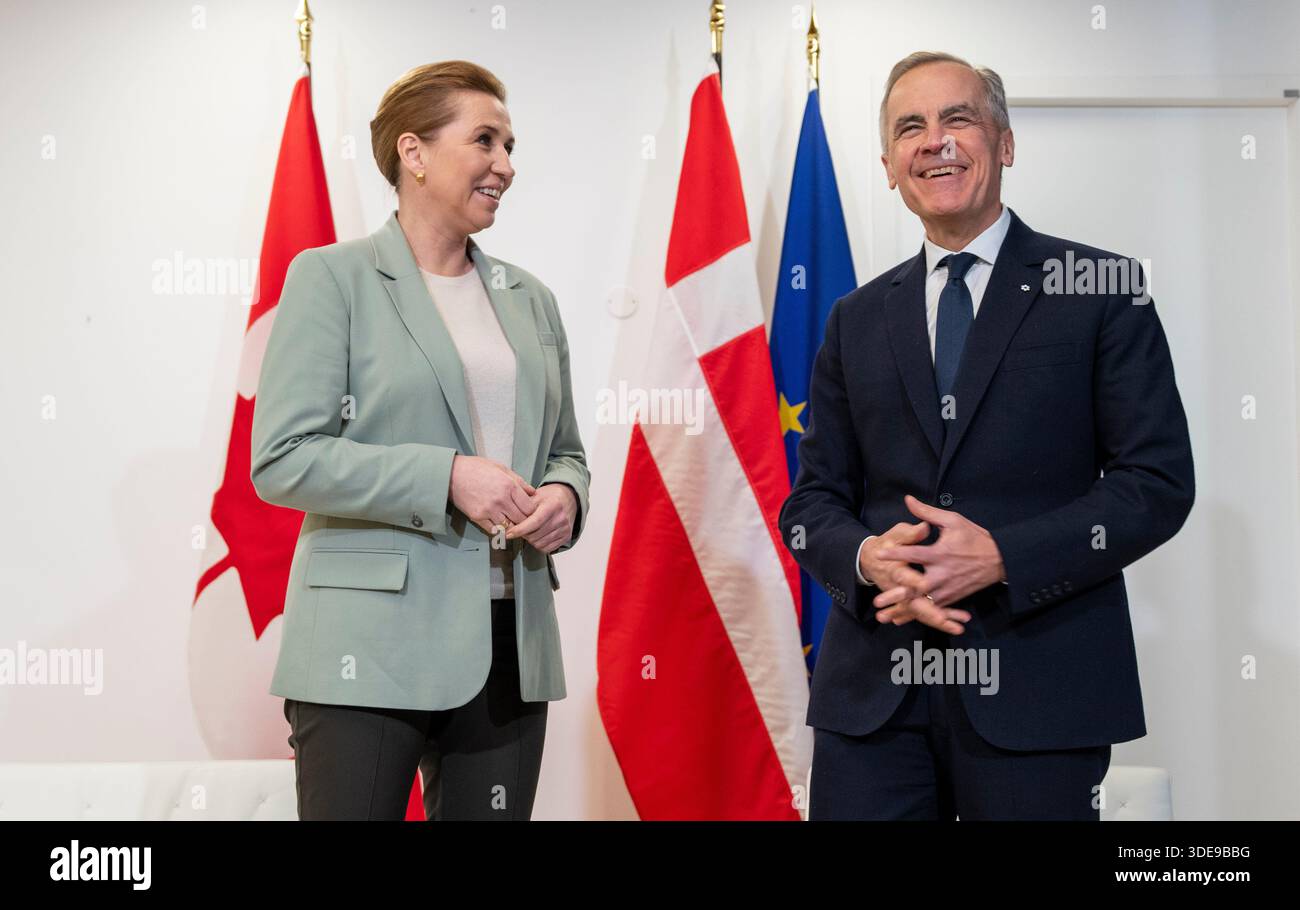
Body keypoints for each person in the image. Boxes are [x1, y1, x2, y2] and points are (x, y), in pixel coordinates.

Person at [779, 51, 1194, 820]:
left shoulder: (1101, 290)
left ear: (1004, 142)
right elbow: (811, 504)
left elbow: (1156, 485)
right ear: (889, 165)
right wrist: (870, 559)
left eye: (957, 119)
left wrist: (1004, 557)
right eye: (911, 127)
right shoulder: (854, 319)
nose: (934, 142)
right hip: (874, 698)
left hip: (1040, 689)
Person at [250, 60, 589, 820]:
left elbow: (565, 450)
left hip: (512, 647)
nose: (506, 165)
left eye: (510, 145)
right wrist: (445, 477)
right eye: (485, 140)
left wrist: (568, 495)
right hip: (366, 651)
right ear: (414, 153)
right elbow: (282, 457)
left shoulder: (531, 299)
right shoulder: (332, 278)